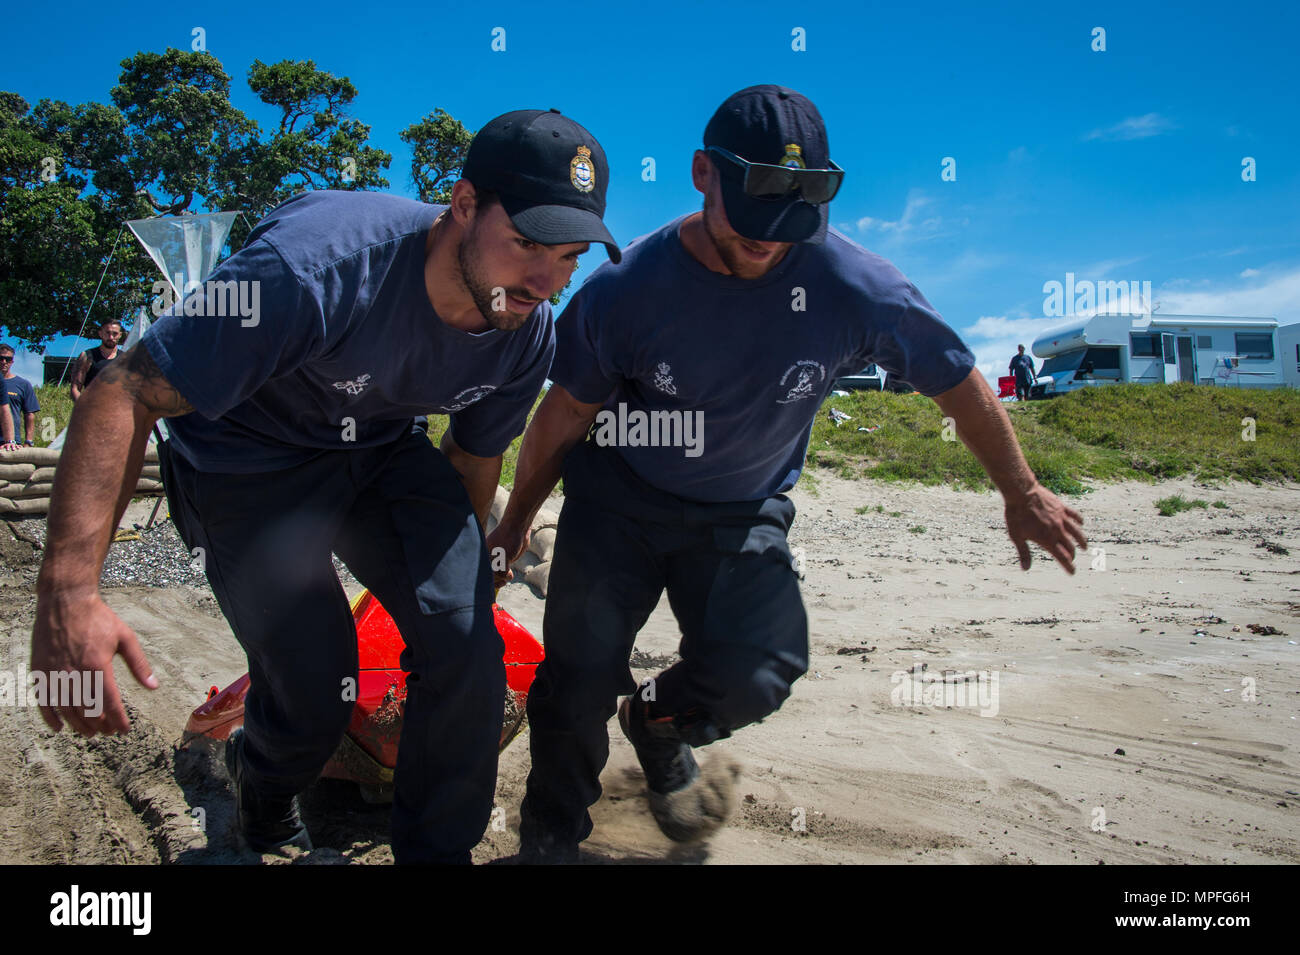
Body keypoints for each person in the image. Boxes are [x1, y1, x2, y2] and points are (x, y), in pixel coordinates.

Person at [487, 85, 1087, 863]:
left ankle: (662, 723)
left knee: (764, 666)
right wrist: (513, 524)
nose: (770, 242)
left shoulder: (855, 287)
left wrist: (1022, 489)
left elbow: (956, 378)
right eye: (753, 215)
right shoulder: (626, 291)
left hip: (743, 507)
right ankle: (549, 840)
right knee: (577, 676)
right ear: (703, 173)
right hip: (621, 499)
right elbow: (561, 418)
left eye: (792, 221)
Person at [30, 108, 620, 864]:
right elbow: (123, 389)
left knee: (469, 642)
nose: (546, 280)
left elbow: (473, 461)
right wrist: (72, 593)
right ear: (464, 205)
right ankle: (267, 788)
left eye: (569, 257)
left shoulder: (526, 332)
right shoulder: (315, 267)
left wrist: (444, 590)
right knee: (316, 684)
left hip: (375, 449)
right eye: (528, 244)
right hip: (245, 464)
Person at [70, 319, 123, 401]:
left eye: (115, 334)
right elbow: (75, 388)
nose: (111, 337)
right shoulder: (87, 356)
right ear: (100, 333)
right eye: (107, 333)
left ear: (120, 335)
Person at [1, 344, 41, 449]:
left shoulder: (23, 384)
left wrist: (28, 441)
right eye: (1, 358)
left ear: (12, 361)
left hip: (11, 441)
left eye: (8, 359)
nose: (4, 362)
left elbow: (29, 415)